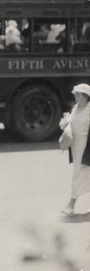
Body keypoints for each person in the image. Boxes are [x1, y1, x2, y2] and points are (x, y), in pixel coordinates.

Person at [61, 83, 90, 216]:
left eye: (77, 94)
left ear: (85, 96)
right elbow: (69, 121)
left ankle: (70, 205)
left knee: (79, 175)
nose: (75, 96)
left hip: (87, 147)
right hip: (76, 146)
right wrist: (65, 123)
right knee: (83, 175)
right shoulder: (76, 108)